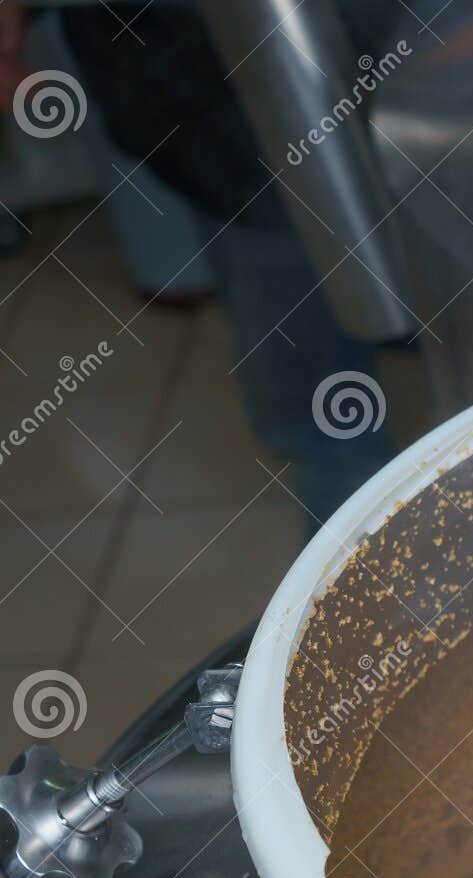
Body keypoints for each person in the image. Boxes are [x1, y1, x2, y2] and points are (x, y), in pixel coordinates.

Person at [1, 2, 400, 531]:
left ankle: (367, 548)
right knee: (316, 386)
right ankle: (360, 530)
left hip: (345, 91)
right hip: (230, 118)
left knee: (329, 412)